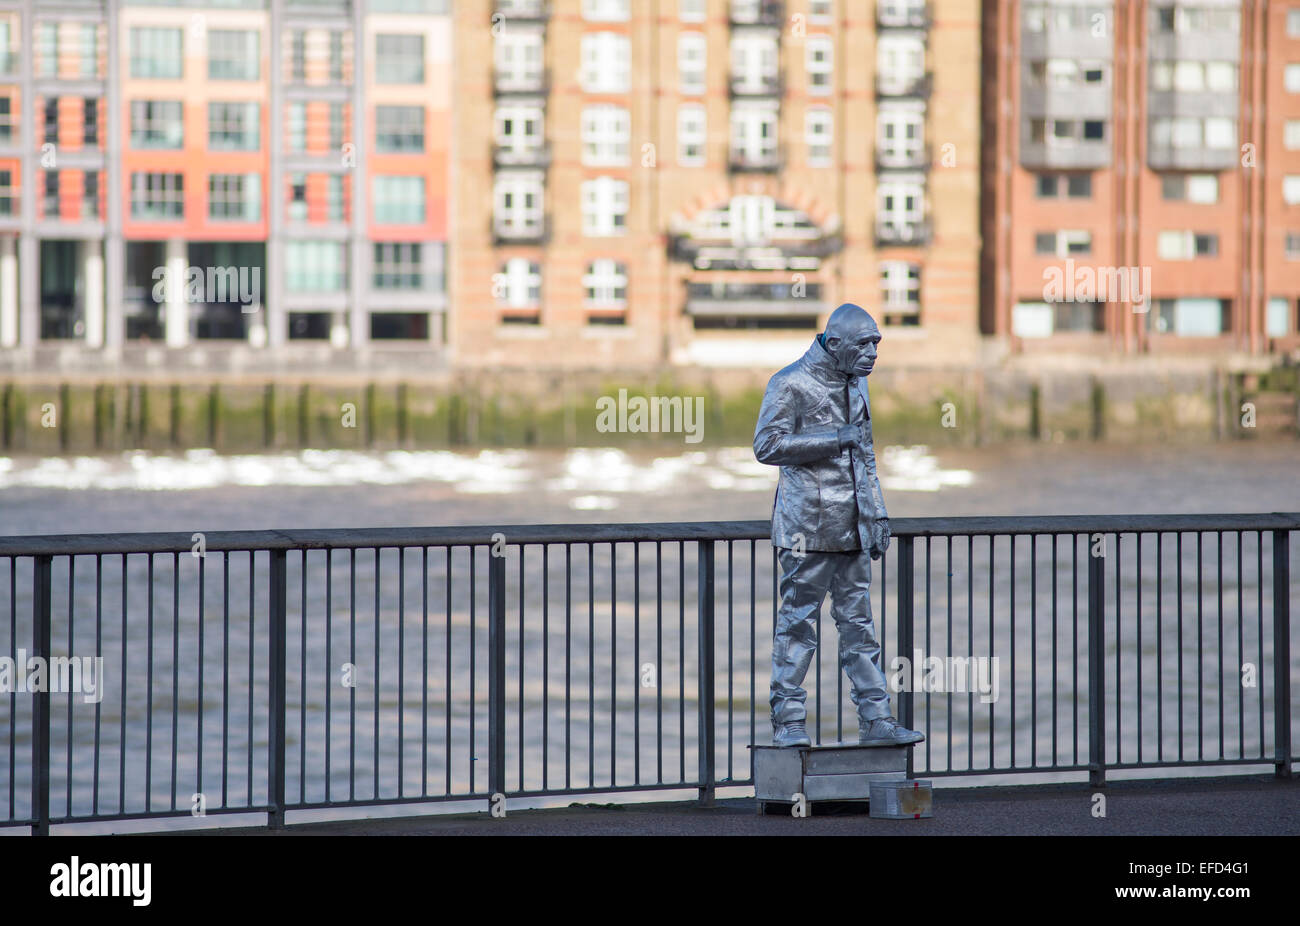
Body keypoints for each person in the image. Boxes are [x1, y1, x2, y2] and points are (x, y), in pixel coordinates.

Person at [753, 303, 925, 748]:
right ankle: (789, 724)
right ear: (834, 345)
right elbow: (766, 446)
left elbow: (866, 458)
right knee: (796, 630)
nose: (872, 354)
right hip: (804, 532)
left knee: (860, 629)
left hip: (853, 529)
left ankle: (877, 722)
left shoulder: (858, 383)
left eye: (876, 344)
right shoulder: (788, 383)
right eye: (863, 345)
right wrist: (834, 439)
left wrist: (878, 513)